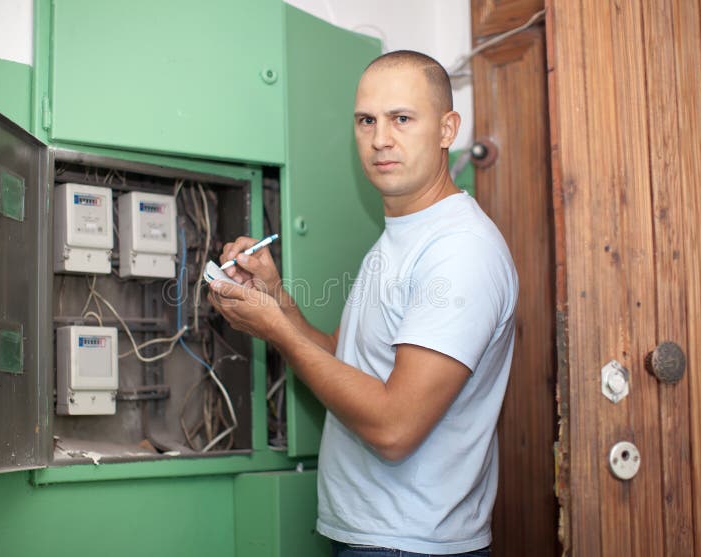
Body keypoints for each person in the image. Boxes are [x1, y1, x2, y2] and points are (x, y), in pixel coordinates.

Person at [208, 50, 518, 557]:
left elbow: (395, 426)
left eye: (401, 118)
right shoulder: (399, 237)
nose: (379, 140)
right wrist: (276, 299)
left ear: (447, 129)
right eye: (366, 120)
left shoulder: (461, 250)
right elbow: (346, 360)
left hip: (412, 544)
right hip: (370, 535)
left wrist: (277, 330)